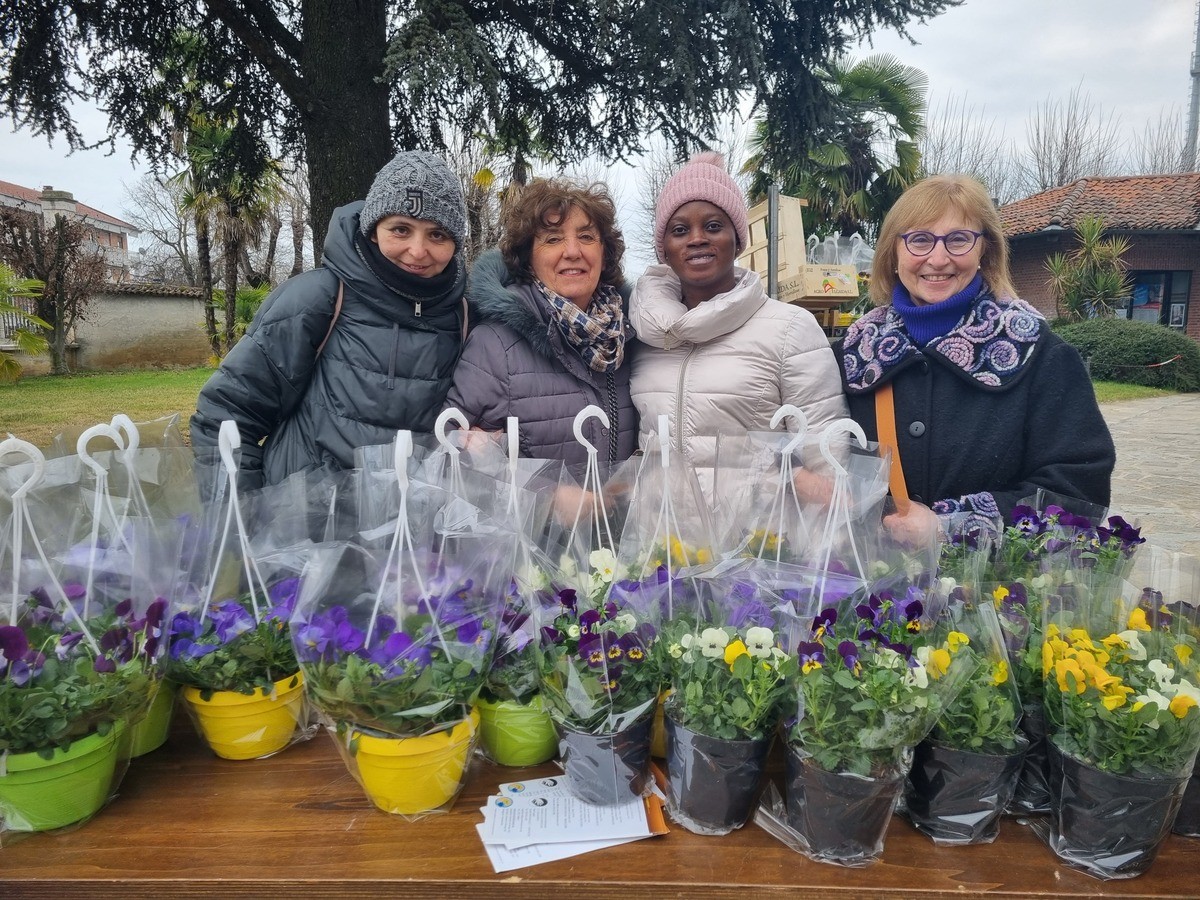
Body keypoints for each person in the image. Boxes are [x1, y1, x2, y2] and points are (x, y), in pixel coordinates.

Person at [837, 173, 1115, 541]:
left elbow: (1078, 492)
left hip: (992, 590)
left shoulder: (1040, 356)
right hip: (870, 588)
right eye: (919, 239)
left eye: (958, 239)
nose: (938, 258)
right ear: (893, 252)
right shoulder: (854, 353)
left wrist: (950, 526)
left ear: (985, 250)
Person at [191, 151, 469, 489]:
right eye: (400, 229)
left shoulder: (465, 317)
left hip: (408, 534)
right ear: (372, 230)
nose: (417, 250)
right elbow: (227, 415)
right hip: (301, 528)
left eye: (437, 235)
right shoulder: (316, 298)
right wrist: (241, 521)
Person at [628, 151, 847, 499]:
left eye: (714, 226)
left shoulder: (791, 329)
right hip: (661, 546)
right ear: (664, 249)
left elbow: (827, 465)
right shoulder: (643, 335)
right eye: (680, 230)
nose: (697, 238)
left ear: (737, 239)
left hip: (756, 545)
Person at [444, 178, 637, 468]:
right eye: (553, 239)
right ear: (528, 258)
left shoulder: (629, 335)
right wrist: (546, 494)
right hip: (533, 516)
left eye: (586, 237)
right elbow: (446, 448)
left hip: (621, 514)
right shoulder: (496, 345)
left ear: (604, 252)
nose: (573, 251)